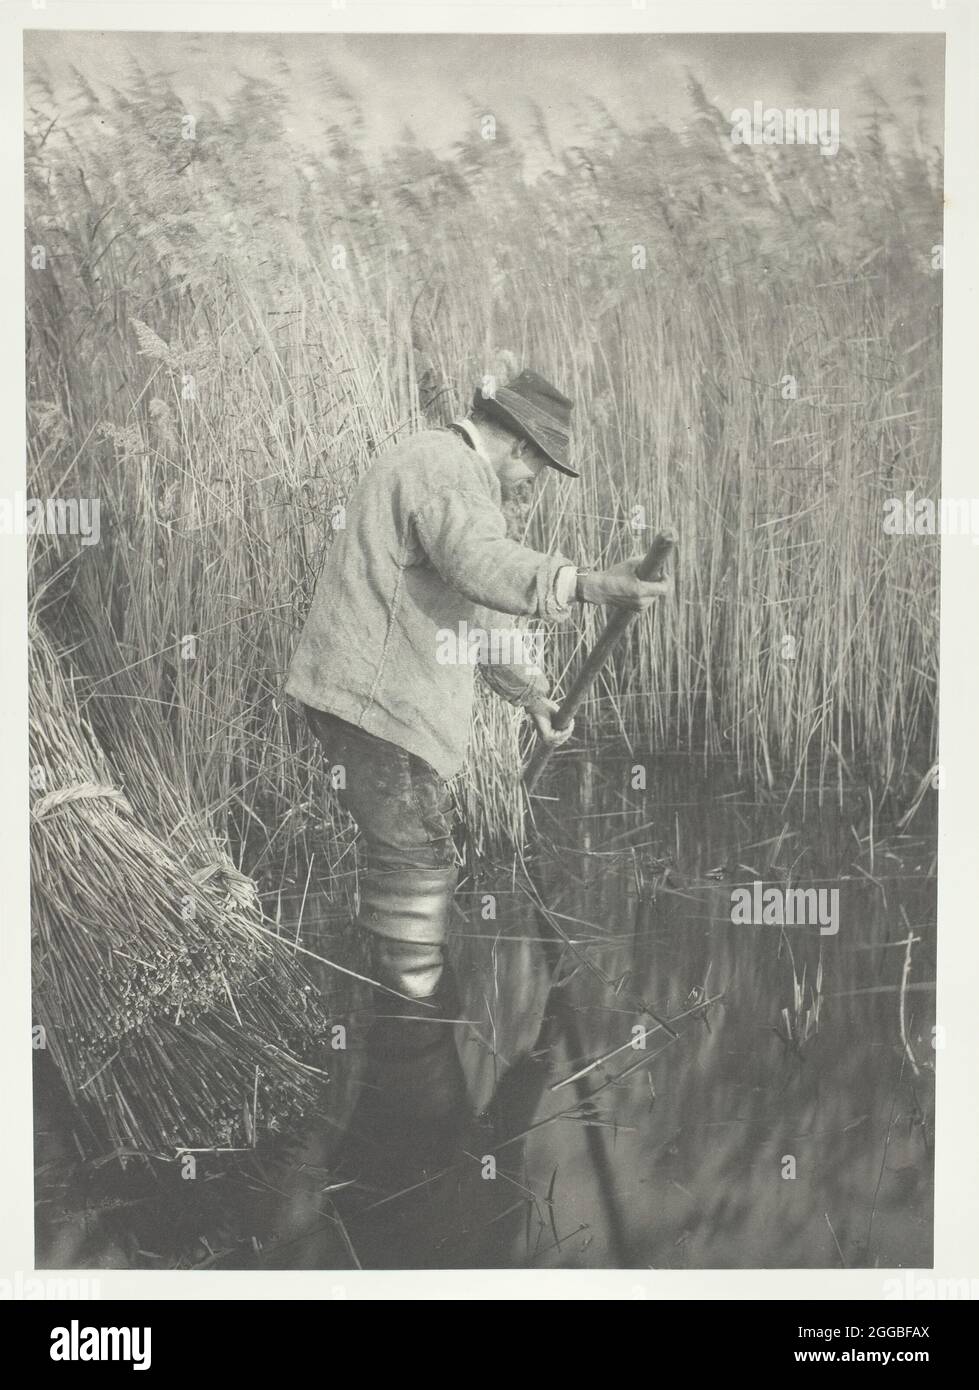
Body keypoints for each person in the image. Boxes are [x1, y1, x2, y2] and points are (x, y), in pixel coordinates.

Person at [284, 369, 670, 1037]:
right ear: (519, 447)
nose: (533, 484)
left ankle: (398, 1005)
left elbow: (469, 606)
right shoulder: (447, 468)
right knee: (418, 855)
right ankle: (412, 1030)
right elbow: (482, 565)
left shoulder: (436, 466)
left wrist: (531, 697)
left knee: (409, 851)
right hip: (378, 705)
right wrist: (591, 585)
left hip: (372, 704)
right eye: (541, 469)